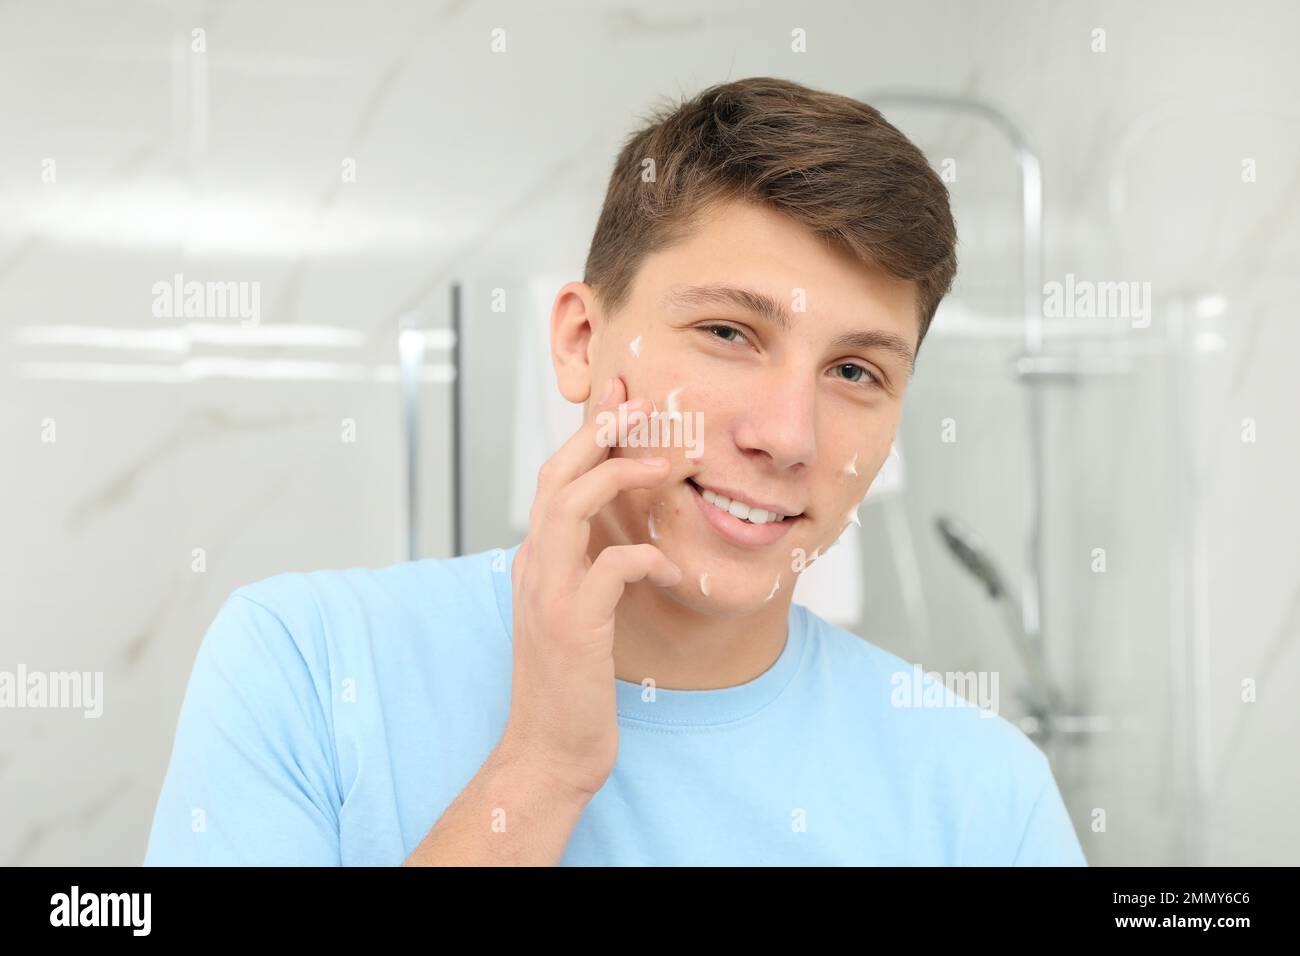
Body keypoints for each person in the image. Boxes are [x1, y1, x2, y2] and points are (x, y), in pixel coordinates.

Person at [144, 76, 1087, 866]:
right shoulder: (306, 665)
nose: (788, 435)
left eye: (854, 371)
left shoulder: (984, 795)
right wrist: (542, 768)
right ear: (582, 341)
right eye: (728, 332)